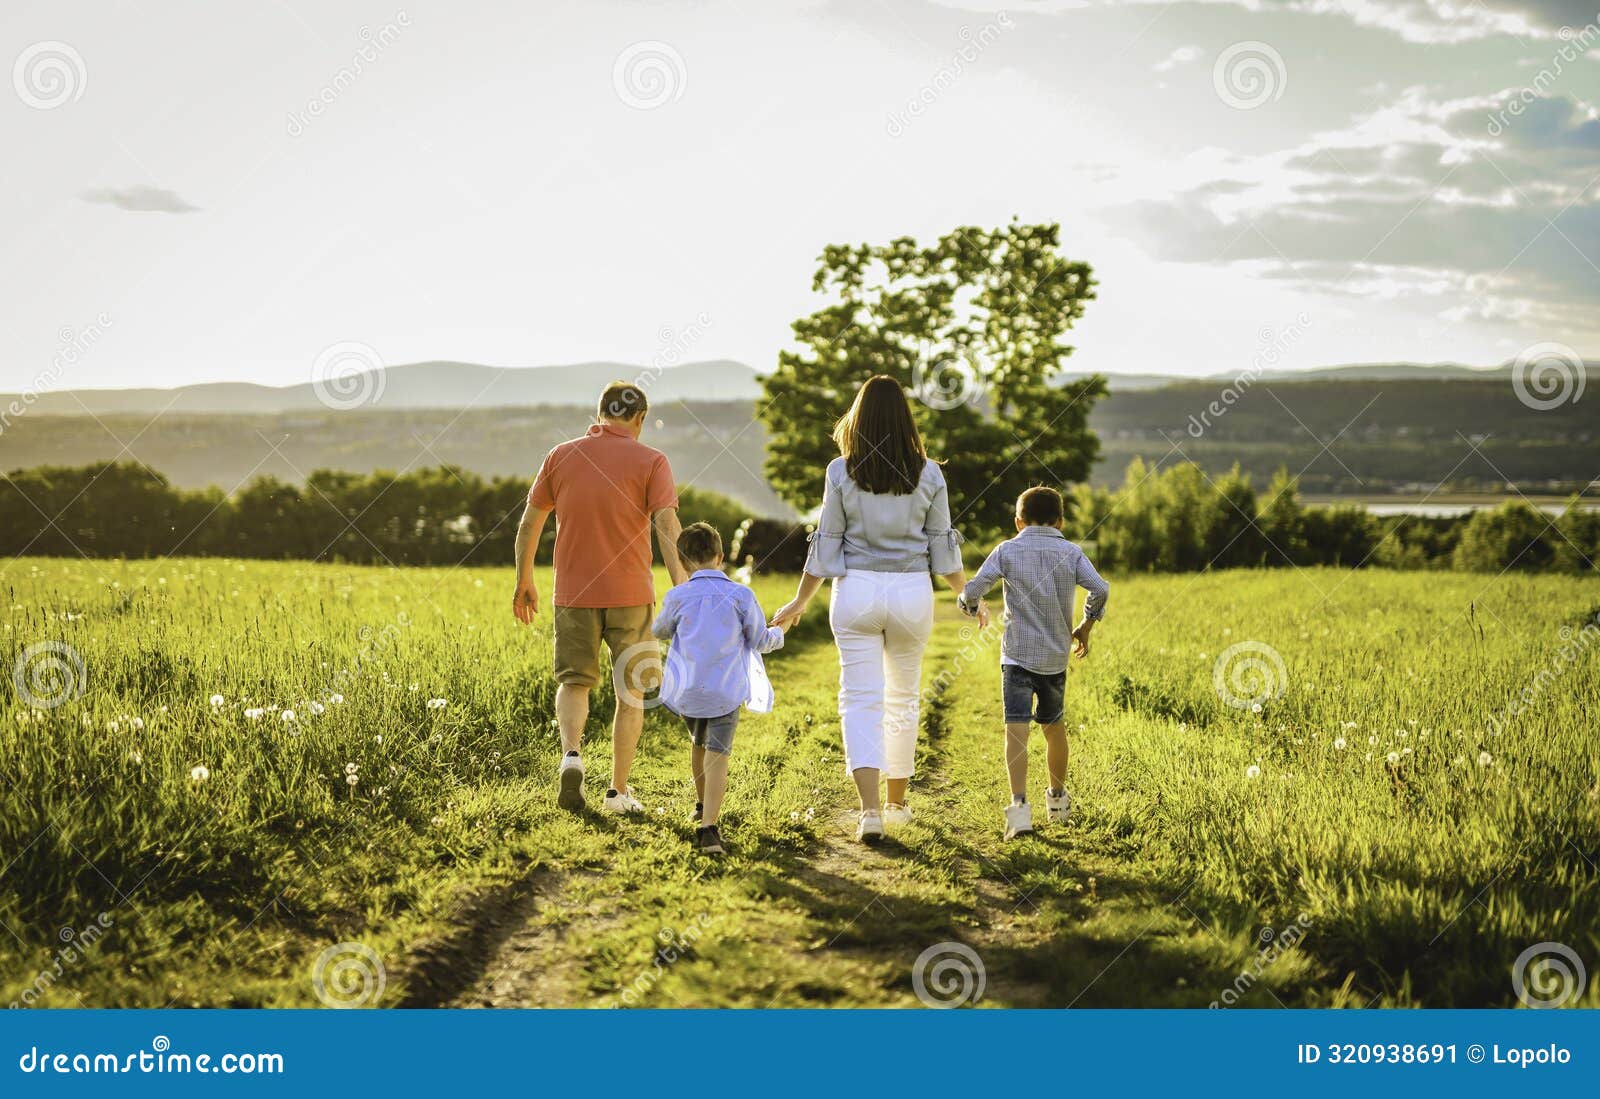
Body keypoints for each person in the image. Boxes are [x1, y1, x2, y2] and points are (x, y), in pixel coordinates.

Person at [770, 375, 983, 844]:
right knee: (904, 696)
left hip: (857, 591)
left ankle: (869, 812)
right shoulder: (930, 473)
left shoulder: (840, 471)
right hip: (912, 592)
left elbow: (826, 544)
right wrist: (968, 595)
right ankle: (897, 803)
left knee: (860, 698)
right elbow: (943, 548)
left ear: (858, 418)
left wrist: (800, 600)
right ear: (906, 418)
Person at [512, 381, 687, 814]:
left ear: (599, 413)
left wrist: (524, 579)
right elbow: (667, 525)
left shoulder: (560, 455)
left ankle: (571, 754)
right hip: (631, 594)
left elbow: (530, 522)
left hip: (573, 593)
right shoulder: (652, 461)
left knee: (574, 682)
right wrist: (684, 585)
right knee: (632, 691)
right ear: (640, 419)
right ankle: (617, 791)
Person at [958, 486, 1109, 840]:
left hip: (1016, 657)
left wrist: (968, 605)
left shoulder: (1007, 550)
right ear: (1061, 521)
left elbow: (974, 588)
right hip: (1055, 659)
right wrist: (1086, 624)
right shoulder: (1071, 553)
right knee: (1054, 728)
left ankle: (1020, 808)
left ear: (1017, 521)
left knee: (1017, 731)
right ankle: (1057, 802)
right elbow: (1100, 588)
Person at [652, 522, 787, 855]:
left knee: (698, 744)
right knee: (718, 755)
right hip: (725, 692)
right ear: (721, 556)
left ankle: (701, 805)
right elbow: (759, 640)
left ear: (682, 562)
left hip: (688, 693)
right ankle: (709, 829)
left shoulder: (678, 595)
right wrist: (781, 630)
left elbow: (659, 630)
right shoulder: (740, 594)